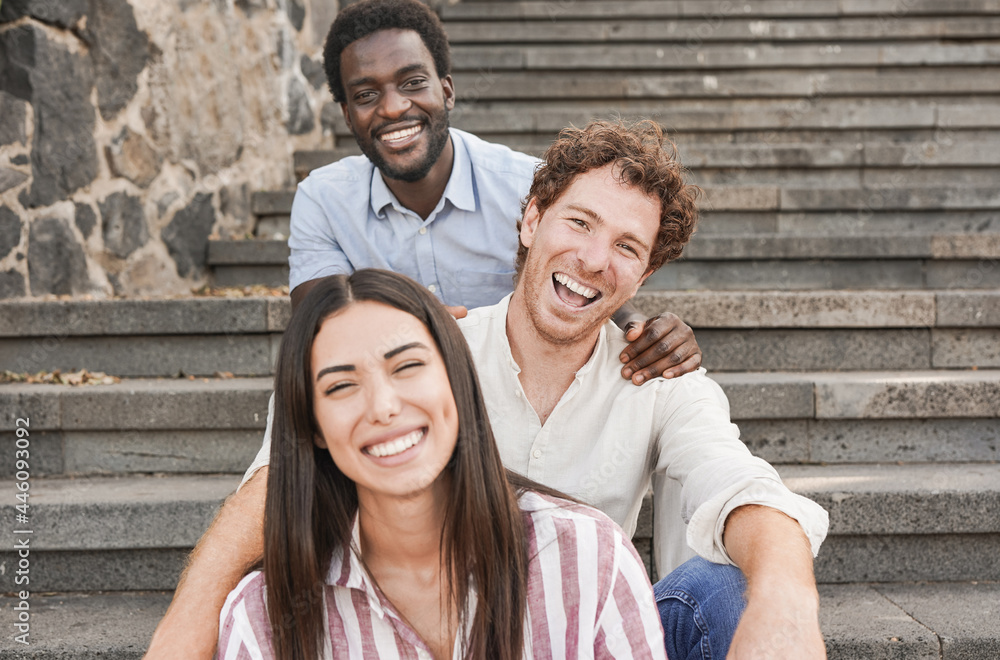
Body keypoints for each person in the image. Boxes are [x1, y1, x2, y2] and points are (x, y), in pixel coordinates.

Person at [147, 119, 828, 660]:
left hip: (581, 630)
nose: (594, 259)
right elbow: (284, 471)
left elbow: (735, 479)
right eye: (579, 222)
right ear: (531, 220)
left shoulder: (657, 377)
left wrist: (788, 604)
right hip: (433, 616)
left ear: (643, 276)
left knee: (727, 585)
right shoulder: (432, 353)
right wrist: (186, 626)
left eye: (627, 247)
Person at [216, 270, 667, 659]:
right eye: (340, 387)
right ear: (314, 426)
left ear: (455, 377)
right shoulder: (262, 620)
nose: (384, 407)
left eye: (407, 366)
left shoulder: (588, 558)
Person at [289, 0, 701, 385]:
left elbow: (586, 271)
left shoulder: (530, 187)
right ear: (346, 114)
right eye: (365, 94)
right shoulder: (322, 200)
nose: (394, 107)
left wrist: (644, 330)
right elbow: (316, 321)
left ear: (446, 90)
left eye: (413, 83)